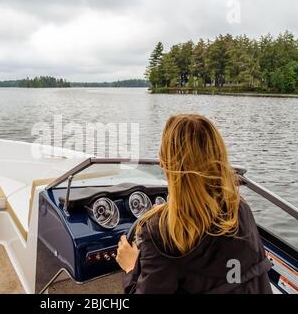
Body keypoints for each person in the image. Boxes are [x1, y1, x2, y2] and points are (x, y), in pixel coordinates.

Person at [116, 114, 272, 294]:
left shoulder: (161, 235)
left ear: (165, 164)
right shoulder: (239, 209)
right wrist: (169, 212)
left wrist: (131, 269)